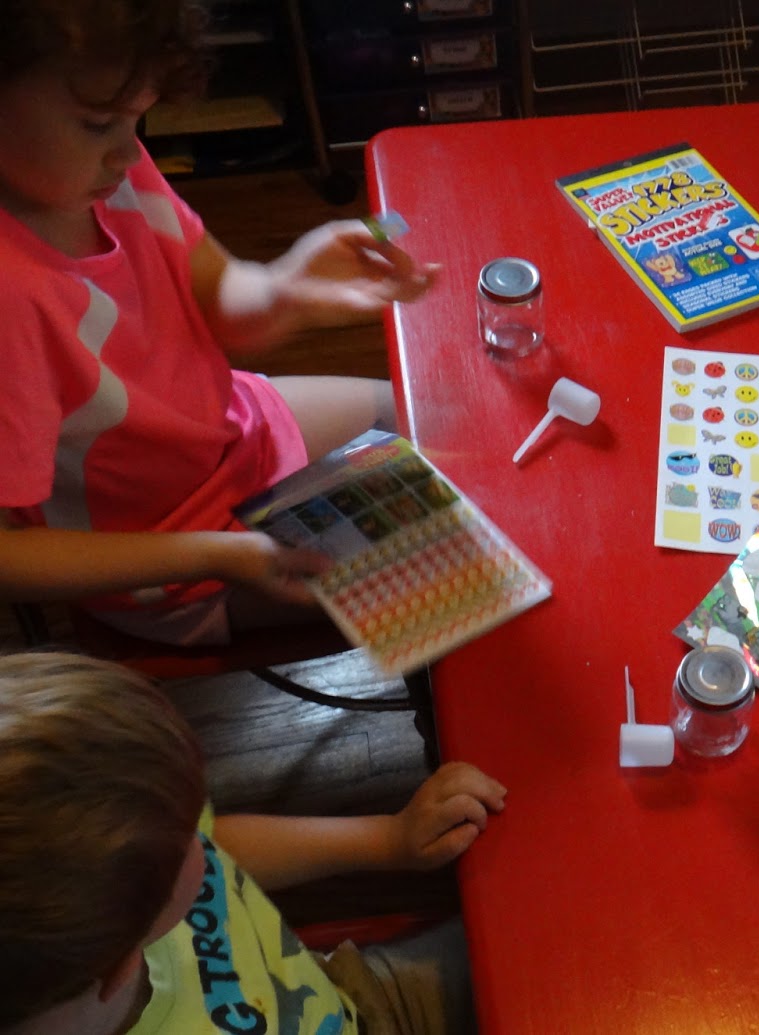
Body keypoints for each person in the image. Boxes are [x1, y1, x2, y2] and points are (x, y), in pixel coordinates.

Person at [0, 0, 441, 646]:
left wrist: (287, 287)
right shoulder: (12, 297)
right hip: (171, 561)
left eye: (137, 117)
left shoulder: (106, 169)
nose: (129, 151)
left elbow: (223, 298)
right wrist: (216, 553)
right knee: (450, 573)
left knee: (443, 424)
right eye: (97, 124)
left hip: (235, 436)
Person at [0, 650, 506, 1035]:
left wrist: (388, 840)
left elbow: (219, 850)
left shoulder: (125, 899)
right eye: (190, 835)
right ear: (122, 968)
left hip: (356, 1001)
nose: (203, 834)